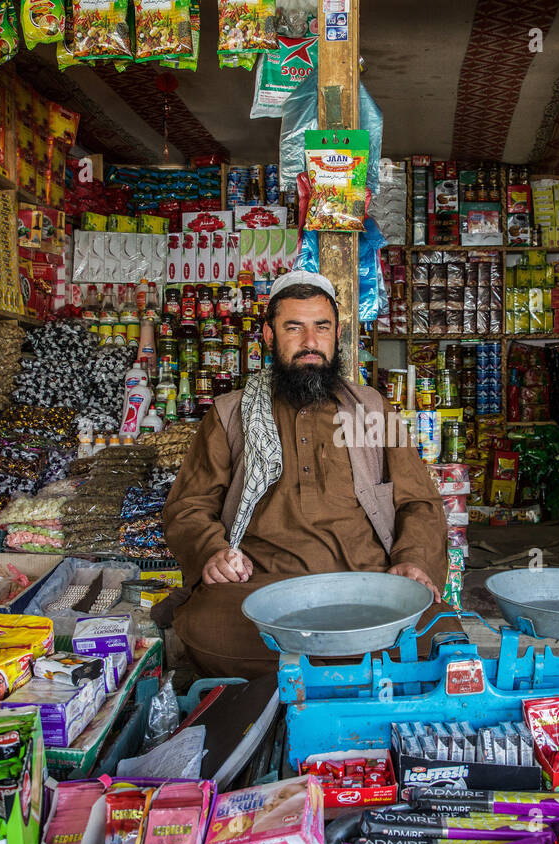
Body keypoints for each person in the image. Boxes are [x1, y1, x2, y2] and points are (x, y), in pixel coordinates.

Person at [155, 270, 448, 678]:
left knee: (441, 630)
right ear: (270, 336)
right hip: (262, 589)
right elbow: (188, 506)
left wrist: (412, 560)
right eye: (294, 328)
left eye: (321, 328)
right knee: (208, 626)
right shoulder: (229, 413)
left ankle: (309, 670)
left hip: (367, 584)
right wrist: (212, 552)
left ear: (337, 333)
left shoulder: (373, 410)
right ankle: (351, 669)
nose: (310, 343)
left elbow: (419, 502)